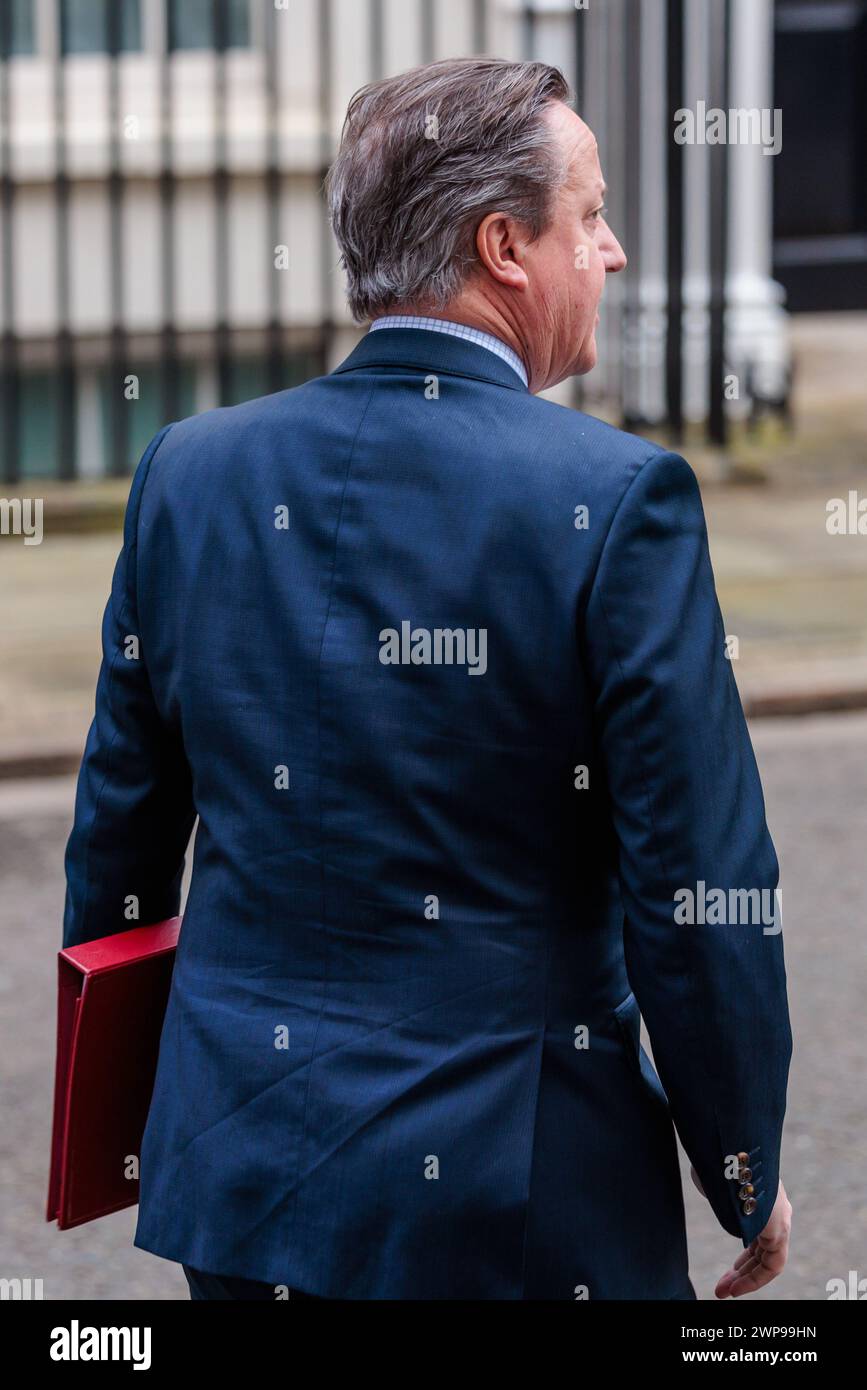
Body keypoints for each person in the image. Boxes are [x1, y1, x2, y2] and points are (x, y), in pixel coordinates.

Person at [63, 57, 792, 1301]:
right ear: (503, 245)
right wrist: (742, 1165)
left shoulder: (189, 472)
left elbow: (120, 845)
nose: (611, 253)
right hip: (521, 1201)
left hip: (244, 1179)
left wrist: (141, 1131)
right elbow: (700, 887)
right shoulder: (620, 502)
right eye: (592, 216)